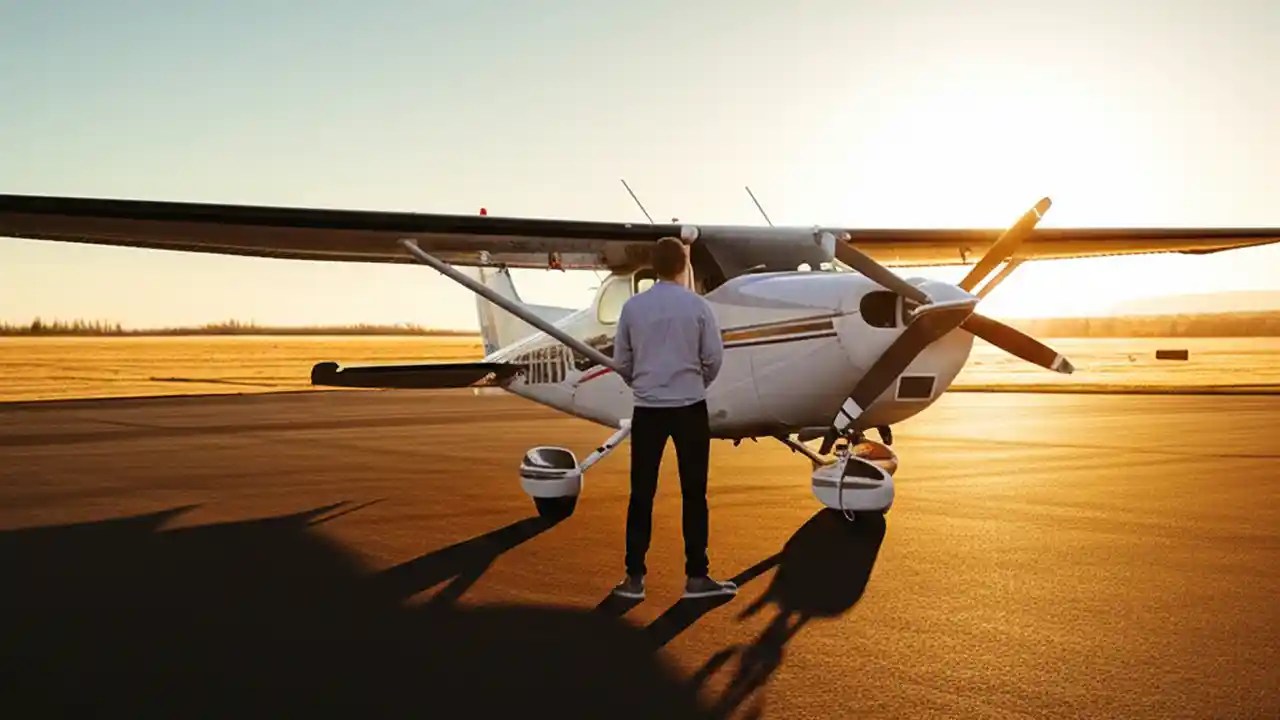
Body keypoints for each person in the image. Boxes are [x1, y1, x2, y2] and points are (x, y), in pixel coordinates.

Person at [609, 237, 738, 600]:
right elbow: (713, 357)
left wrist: (643, 382)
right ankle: (697, 578)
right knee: (694, 495)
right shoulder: (698, 307)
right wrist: (695, 383)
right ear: (683, 265)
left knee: (642, 495)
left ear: (653, 266)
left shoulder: (633, 308)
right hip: (690, 408)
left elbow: (622, 361)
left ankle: (634, 579)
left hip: (648, 409)